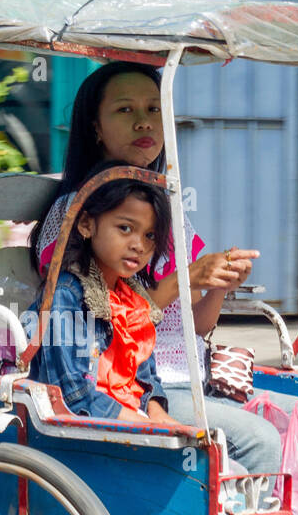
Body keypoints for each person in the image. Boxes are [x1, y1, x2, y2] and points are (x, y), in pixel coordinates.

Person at [32, 62, 298, 513]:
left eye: (155, 109)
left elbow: (195, 327)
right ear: (95, 128)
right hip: (142, 391)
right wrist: (184, 279)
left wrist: (216, 286)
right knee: (259, 443)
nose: (145, 121)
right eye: (125, 109)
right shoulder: (76, 215)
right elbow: (103, 328)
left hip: (202, 381)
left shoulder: (164, 212)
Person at [26, 173, 183, 426]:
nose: (139, 245)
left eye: (150, 236)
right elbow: (71, 396)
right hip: (87, 429)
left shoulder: (133, 300)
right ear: (87, 224)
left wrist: (159, 416)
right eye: (125, 228)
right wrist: (148, 426)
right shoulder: (67, 295)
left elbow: (147, 379)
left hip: (128, 419)